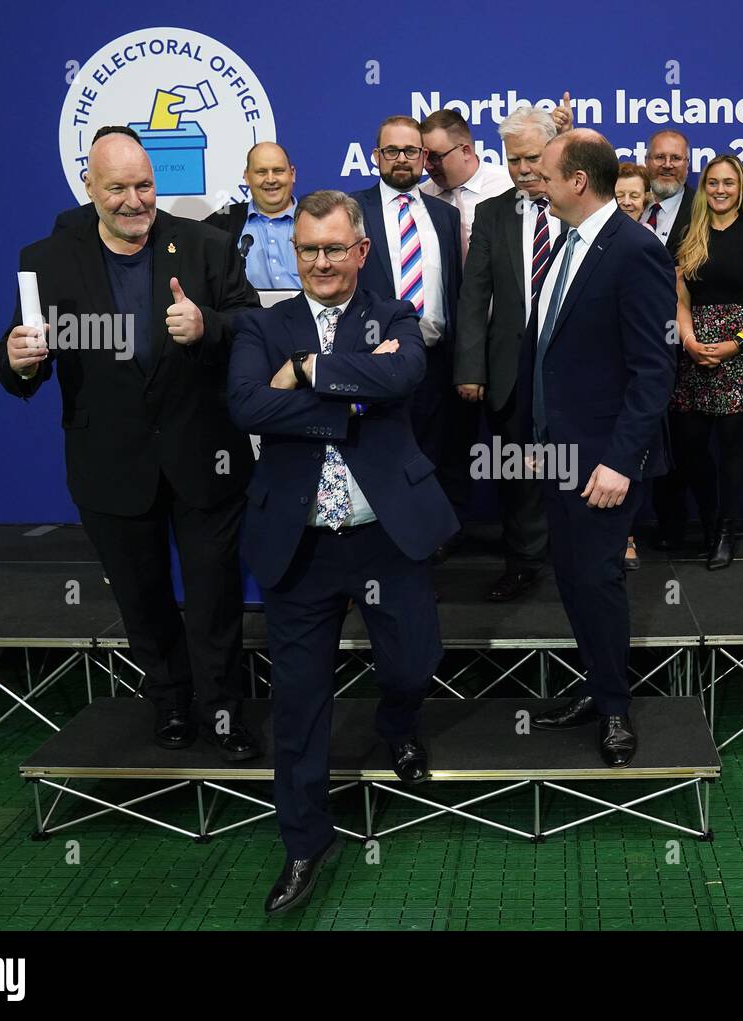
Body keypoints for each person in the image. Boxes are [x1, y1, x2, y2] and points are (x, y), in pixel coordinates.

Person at [0, 130, 261, 759]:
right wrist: (20, 359)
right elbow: (16, 358)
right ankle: (170, 704)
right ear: (89, 186)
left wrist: (207, 326)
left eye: (144, 185)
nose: (134, 200)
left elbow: (251, 325)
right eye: (118, 188)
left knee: (215, 595)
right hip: (110, 464)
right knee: (141, 598)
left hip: (206, 458)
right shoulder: (48, 258)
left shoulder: (204, 245)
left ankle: (222, 711)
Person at [228, 190, 458, 914]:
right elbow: (247, 406)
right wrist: (347, 384)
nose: (320, 262)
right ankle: (304, 840)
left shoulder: (393, 316)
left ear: (362, 251)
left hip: (386, 535)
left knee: (412, 662)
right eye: (307, 250)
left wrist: (301, 374)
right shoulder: (262, 326)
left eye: (334, 248)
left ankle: (398, 723)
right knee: (297, 701)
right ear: (293, 252)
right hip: (298, 545)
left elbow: (401, 377)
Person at [520, 129, 677, 766]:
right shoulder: (567, 242)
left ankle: (614, 709)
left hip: (604, 460)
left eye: (546, 174)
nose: (537, 183)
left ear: (578, 182)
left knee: (599, 579)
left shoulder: (635, 250)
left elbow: (653, 369)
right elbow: (554, 351)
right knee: (573, 577)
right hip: (559, 452)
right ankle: (596, 685)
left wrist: (619, 462)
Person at [454, 105, 561, 602]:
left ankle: (580, 563)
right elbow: (473, 296)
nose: (523, 169)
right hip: (510, 371)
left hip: (570, 371)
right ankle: (521, 565)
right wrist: (471, 367)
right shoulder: (492, 212)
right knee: (518, 475)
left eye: (532, 157)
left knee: (576, 468)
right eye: (514, 160)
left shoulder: (583, 205)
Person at [351, 116, 463, 559]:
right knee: (380, 459)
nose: (402, 159)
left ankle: (424, 553)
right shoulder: (351, 210)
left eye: (411, 151)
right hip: (373, 363)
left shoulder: (445, 215)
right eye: (392, 151)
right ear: (376, 156)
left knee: (431, 458)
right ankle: (383, 555)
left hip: (436, 365)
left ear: (424, 157)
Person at [672, 154, 743, 570]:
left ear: (740, 189)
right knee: (691, 445)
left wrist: (737, 342)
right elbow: (680, 299)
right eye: (713, 183)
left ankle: (726, 533)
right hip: (696, 346)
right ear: (704, 188)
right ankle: (710, 520)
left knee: (735, 448)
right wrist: (689, 339)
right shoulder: (687, 234)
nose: (720, 190)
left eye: (728, 183)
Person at [641, 129, 696, 553]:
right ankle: (644, 523)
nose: (667, 165)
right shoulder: (630, 206)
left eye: (675, 158)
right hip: (638, 343)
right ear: (647, 160)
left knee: (684, 440)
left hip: (688, 343)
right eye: (659, 157)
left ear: (688, 163)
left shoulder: (704, 209)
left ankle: (678, 527)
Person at [613, 160, 658, 572]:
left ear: (648, 199)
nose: (627, 202)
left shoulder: (650, 244)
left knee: (634, 455)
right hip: (602, 369)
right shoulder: (595, 239)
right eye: (620, 194)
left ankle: (627, 535)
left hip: (637, 367)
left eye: (634, 194)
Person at [418, 109, 514, 261]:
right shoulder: (421, 197)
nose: (427, 166)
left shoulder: (509, 185)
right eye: (424, 157)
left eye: (436, 157)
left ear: (465, 151)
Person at [205, 142, 300, 290]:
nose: (270, 179)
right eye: (261, 172)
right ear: (247, 177)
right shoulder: (220, 222)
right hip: (244, 312)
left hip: (307, 312)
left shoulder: (317, 220)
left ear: (292, 174)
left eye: (278, 171)